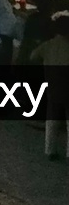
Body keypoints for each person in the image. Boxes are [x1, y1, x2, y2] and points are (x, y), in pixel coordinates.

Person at [32, 12, 69, 158]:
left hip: (53, 87)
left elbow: (33, 56)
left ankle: (50, 150)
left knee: (52, 119)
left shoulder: (47, 46)